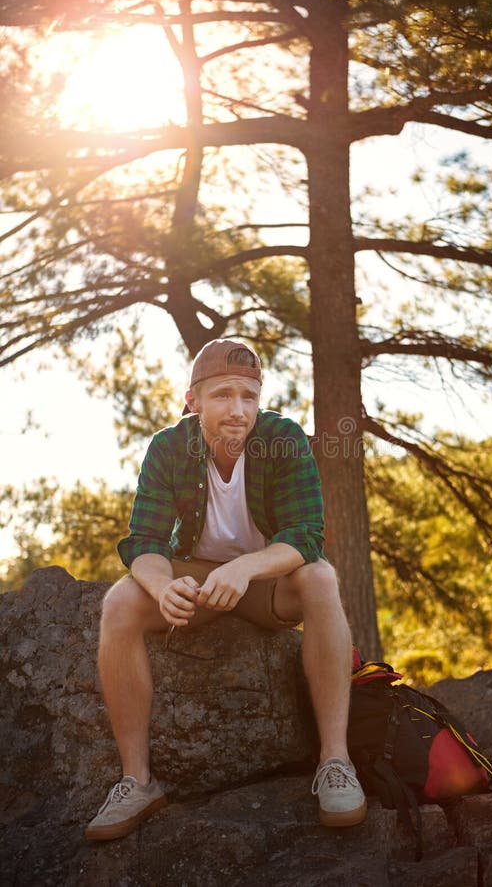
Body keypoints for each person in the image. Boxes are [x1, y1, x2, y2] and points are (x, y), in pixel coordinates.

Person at [85, 338, 366, 841]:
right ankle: (137, 781)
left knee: (322, 576)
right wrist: (160, 585)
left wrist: (245, 569)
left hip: (264, 584)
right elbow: (145, 542)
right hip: (197, 583)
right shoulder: (169, 448)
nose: (238, 410)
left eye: (248, 396)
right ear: (192, 400)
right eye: (222, 396)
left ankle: (335, 762)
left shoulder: (282, 439)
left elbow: (306, 537)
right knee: (121, 601)